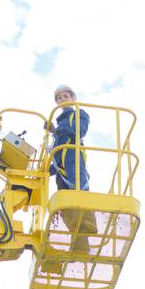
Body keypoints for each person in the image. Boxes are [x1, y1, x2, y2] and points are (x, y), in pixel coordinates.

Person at [49, 85, 98, 260]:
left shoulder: (78, 114)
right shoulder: (59, 124)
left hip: (73, 156)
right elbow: (55, 154)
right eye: (59, 98)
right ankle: (79, 246)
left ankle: (90, 224)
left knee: (79, 191)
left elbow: (79, 131)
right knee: (66, 203)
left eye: (64, 96)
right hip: (61, 163)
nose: (62, 100)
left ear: (73, 98)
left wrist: (57, 130)